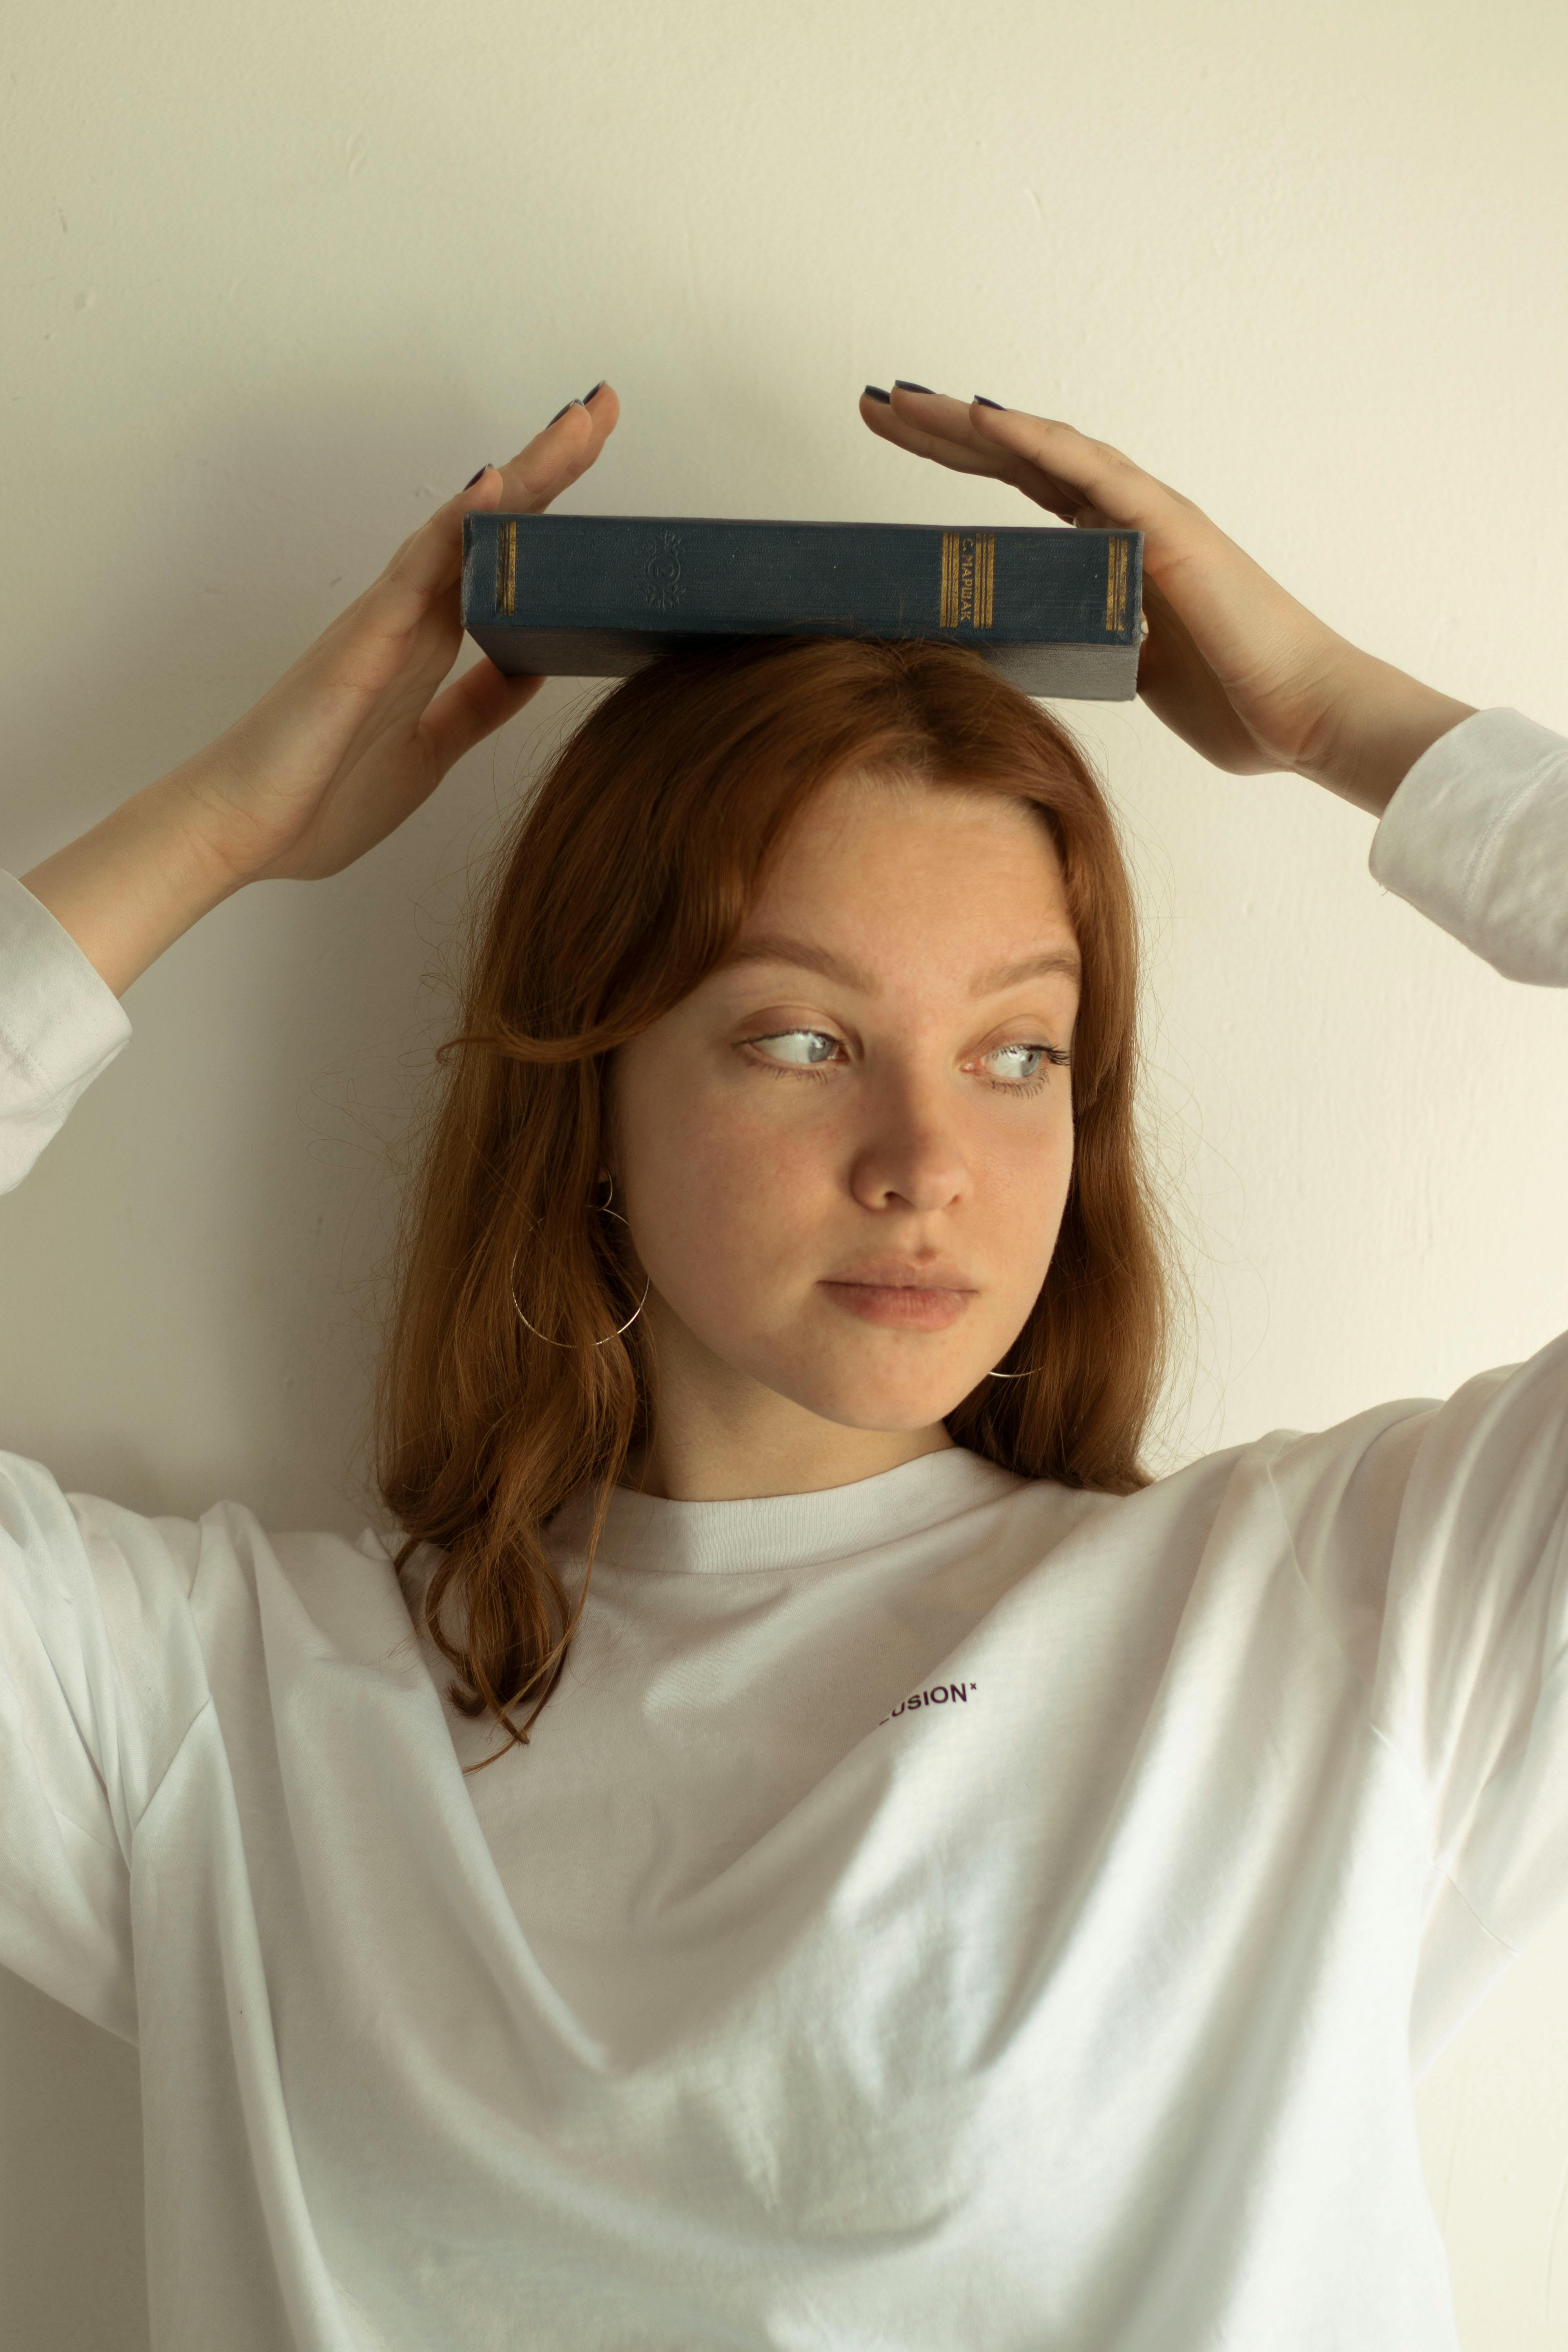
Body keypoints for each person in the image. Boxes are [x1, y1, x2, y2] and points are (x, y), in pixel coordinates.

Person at [2, 377, 1564, 2352]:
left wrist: (1346, 723)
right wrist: (217, 827)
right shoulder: (221, 1722)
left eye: (1017, 1053)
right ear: (592, 1082)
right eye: (801, 1040)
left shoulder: (1340, 1628)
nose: (927, 1165)